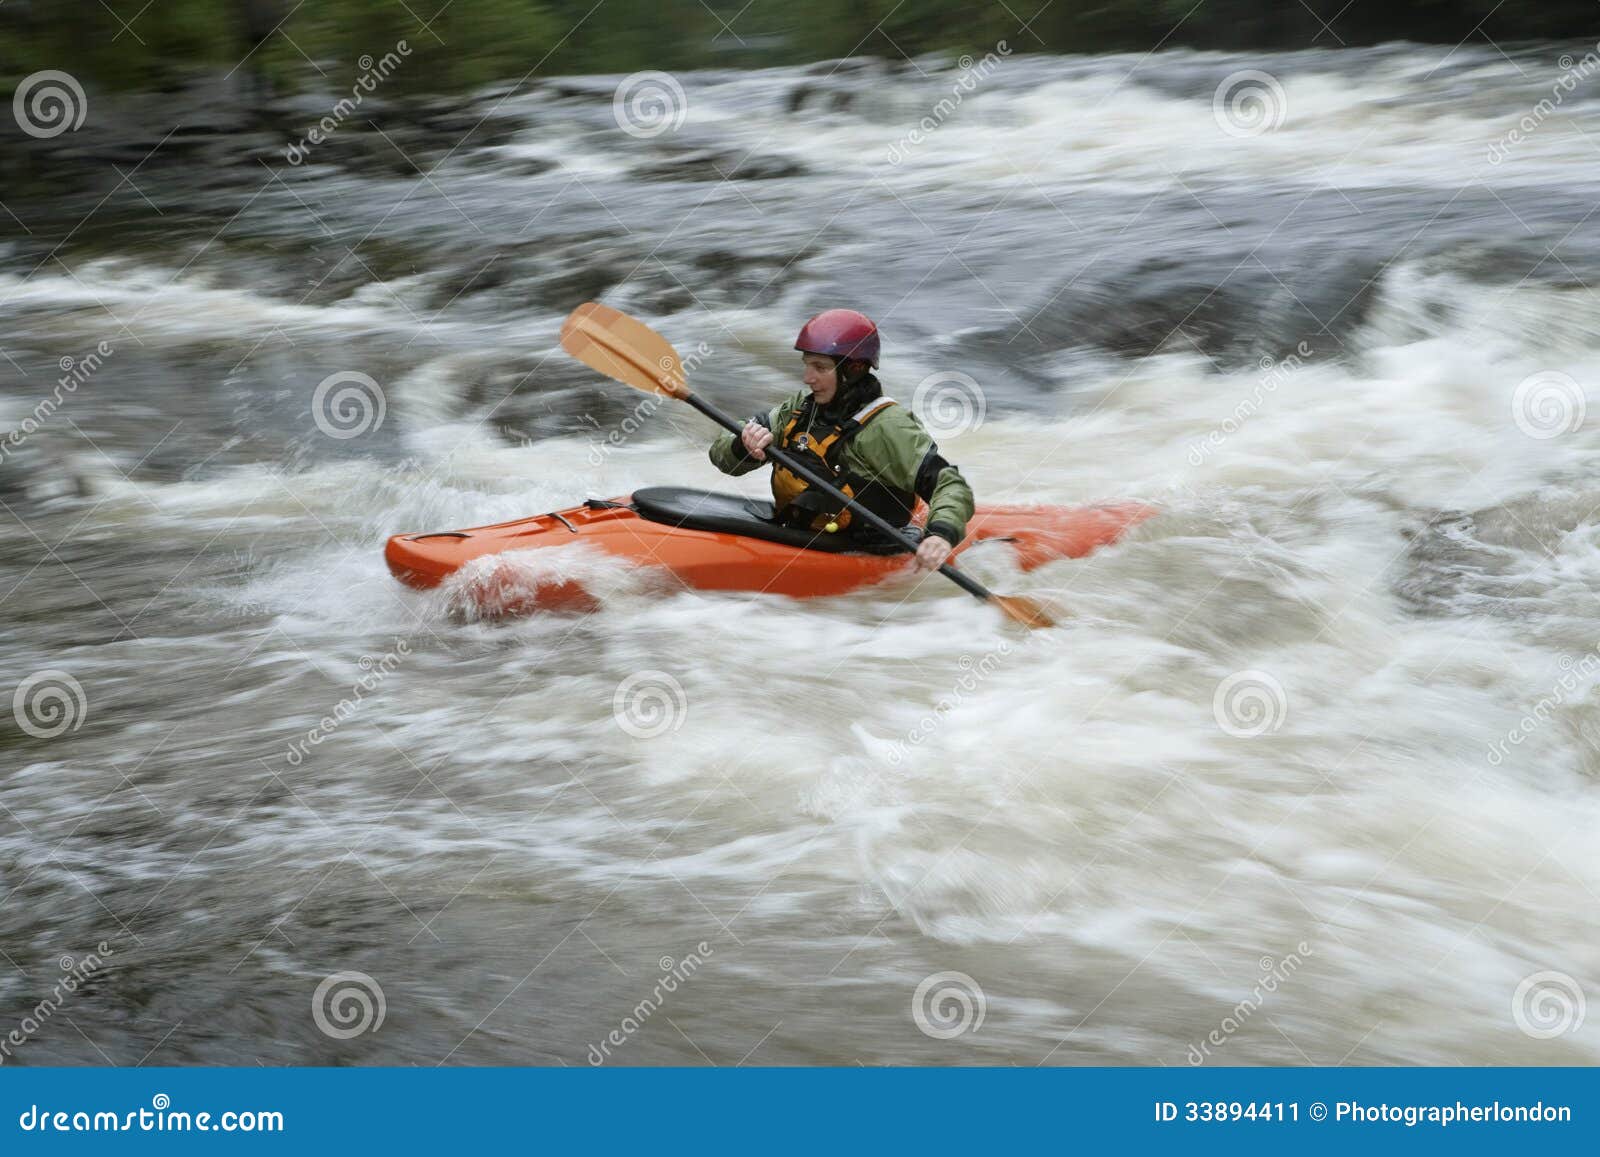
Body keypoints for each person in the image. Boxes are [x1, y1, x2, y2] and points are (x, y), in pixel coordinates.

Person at [708, 309, 974, 573]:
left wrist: (940, 534)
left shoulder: (887, 427)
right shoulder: (800, 409)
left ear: (854, 369)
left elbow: (950, 485)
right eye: (807, 364)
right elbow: (723, 456)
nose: (807, 377)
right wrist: (743, 444)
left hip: (867, 550)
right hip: (801, 533)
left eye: (820, 367)